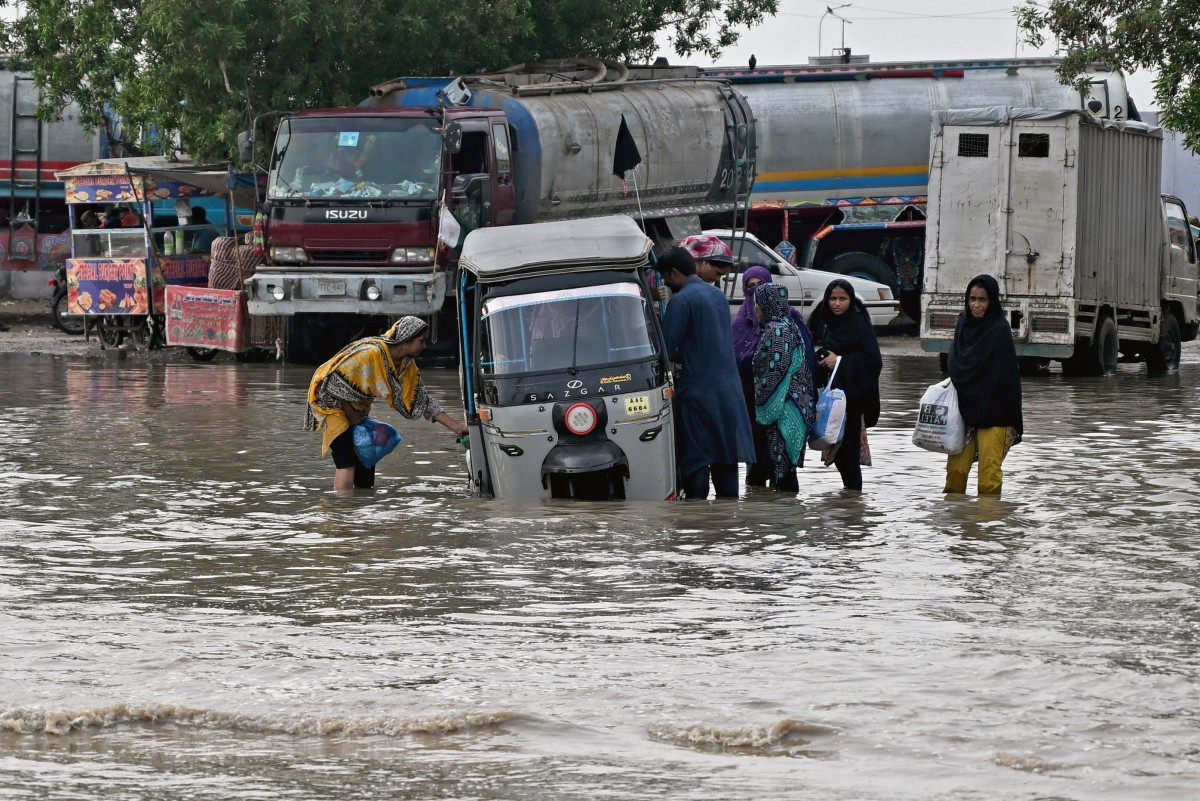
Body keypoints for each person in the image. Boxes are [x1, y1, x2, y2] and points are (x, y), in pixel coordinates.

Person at [305, 317, 469, 492]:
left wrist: (457, 428)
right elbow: (331, 385)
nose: (424, 346)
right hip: (331, 405)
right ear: (406, 341)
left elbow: (422, 400)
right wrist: (352, 418)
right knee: (346, 462)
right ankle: (343, 510)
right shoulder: (371, 354)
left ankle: (363, 505)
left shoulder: (405, 365)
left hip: (356, 408)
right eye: (421, 341)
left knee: (366, 457)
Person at [659, 246, 754, 499]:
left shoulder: (681, 301)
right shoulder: (716, 296)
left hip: (698, 393)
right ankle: (726, 528)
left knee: (696, 461)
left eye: (666, 278)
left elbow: (664, 351)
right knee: (725, 460)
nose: (667, 284)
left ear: (675, 273)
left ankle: (698, 526)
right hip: (728, 393)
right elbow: (709, 343)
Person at [732, 266, 818, 487]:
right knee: (777, 470)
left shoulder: (776, 331)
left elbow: (775, 375)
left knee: (782, 473)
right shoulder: (785, 326)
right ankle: (776, 517)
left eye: (759, 290)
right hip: (786, 406)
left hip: (778, 410)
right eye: (749, 287)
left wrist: (765, 410)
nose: (755, 305)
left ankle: (777, 520)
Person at [945, 274, 1023, 495]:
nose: (976, 305)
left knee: (989, 473)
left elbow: (1005, 378)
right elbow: (955, 363)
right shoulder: (963, 324)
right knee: (955, 471)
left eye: (982, 299)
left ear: (992, 302)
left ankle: (989, 524)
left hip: (995, 411)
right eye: (972, 298)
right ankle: (958, 521)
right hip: (963, 410)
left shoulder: (998, 329)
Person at [807, 279, 883, 492]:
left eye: (843, 299)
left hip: (854, 398)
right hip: (836, 397)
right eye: (833, 298)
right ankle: (850, 504)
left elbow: (873, 361)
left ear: (851, 300)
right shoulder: (830, 323)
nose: (837, 304)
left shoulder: (858, 322)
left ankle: (853, 501)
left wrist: (839, 361)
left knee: (847, 454)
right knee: (839, 454)